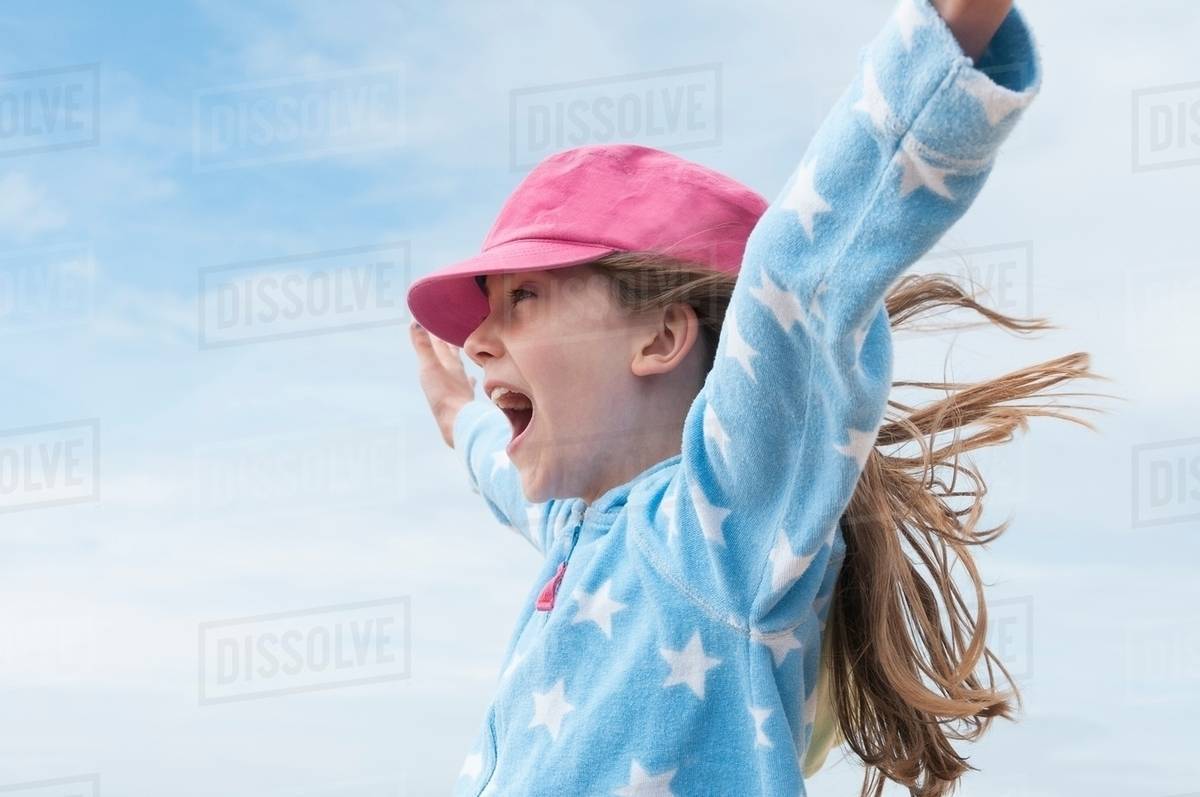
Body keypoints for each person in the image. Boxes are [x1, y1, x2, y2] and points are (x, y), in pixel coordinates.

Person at [408, 0, 1105, 794]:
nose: (480, 341)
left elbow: (801, 278)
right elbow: (504, 478)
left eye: (523, 298)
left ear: (662, 339)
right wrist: (457, 413)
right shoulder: (580, 529)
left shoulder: (717, 528)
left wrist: (946, 33)